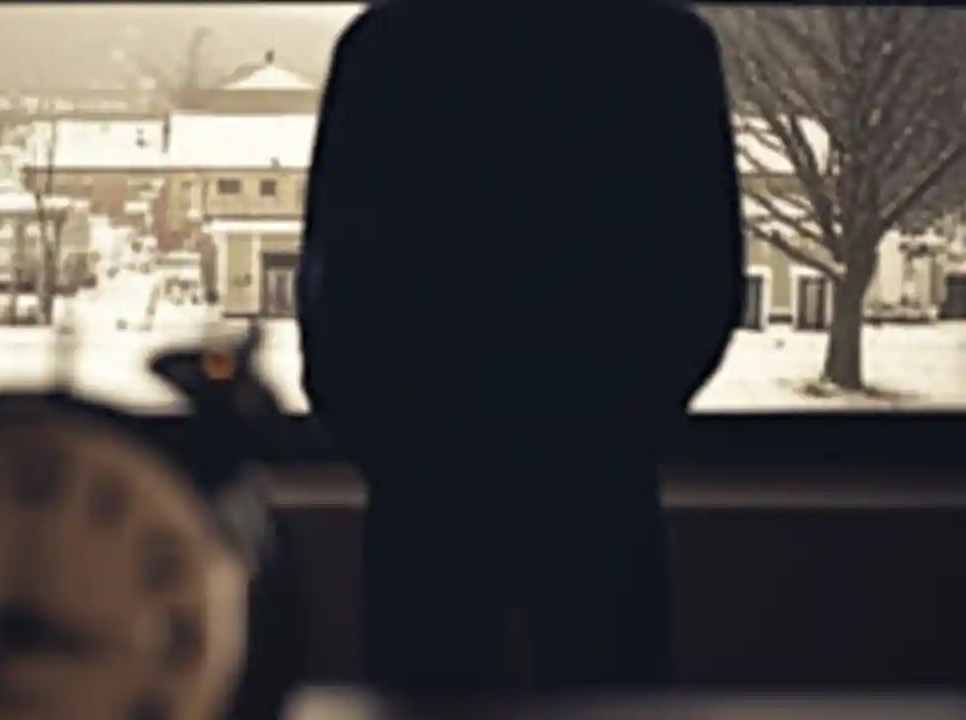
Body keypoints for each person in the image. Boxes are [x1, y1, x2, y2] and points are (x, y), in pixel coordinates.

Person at [298, 0, 744, 693]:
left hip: (428, 478)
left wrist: (387, 440)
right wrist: (625, 426)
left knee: (425, 691)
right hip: (597, 474)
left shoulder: (388, 44)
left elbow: (339, 279)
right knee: (604, 690)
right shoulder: (665, 45)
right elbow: (703, 276)